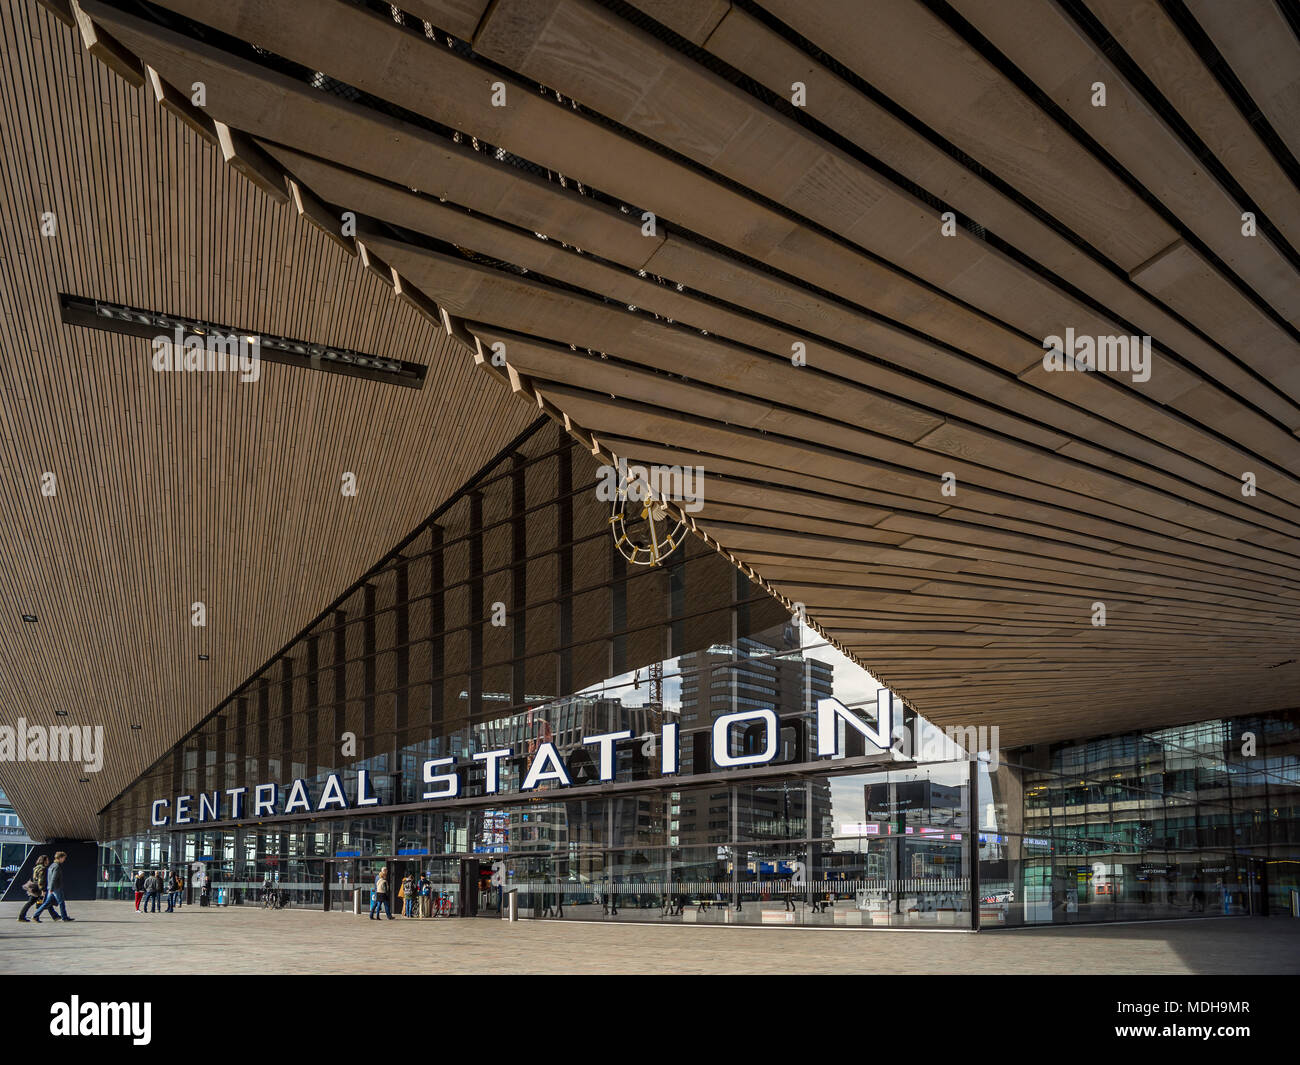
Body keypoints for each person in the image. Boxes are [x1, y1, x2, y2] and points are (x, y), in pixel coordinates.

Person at [31, 851, 74, 922]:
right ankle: (64, 917)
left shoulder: (52, 865)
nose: (64, 860)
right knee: (61, 902)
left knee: (46, 903)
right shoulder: (57, 866)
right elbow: (54, 878)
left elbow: (49, 877)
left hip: (51, 888)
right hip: (56, 888)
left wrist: (50, 888)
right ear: (60, 858)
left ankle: (35, 916)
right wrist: (51, 888)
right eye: (63, 858)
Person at [17, 855, 49, 922]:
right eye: (47, 860)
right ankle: (25, 916)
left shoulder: (36, 868)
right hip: (38, 888)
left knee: (32, 902)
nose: (48, 861)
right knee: (32, 902)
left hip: (34, 886)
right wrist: (43, 890)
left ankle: (22, 916)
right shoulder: (43, 868)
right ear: (44, 861)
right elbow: (41, 880)